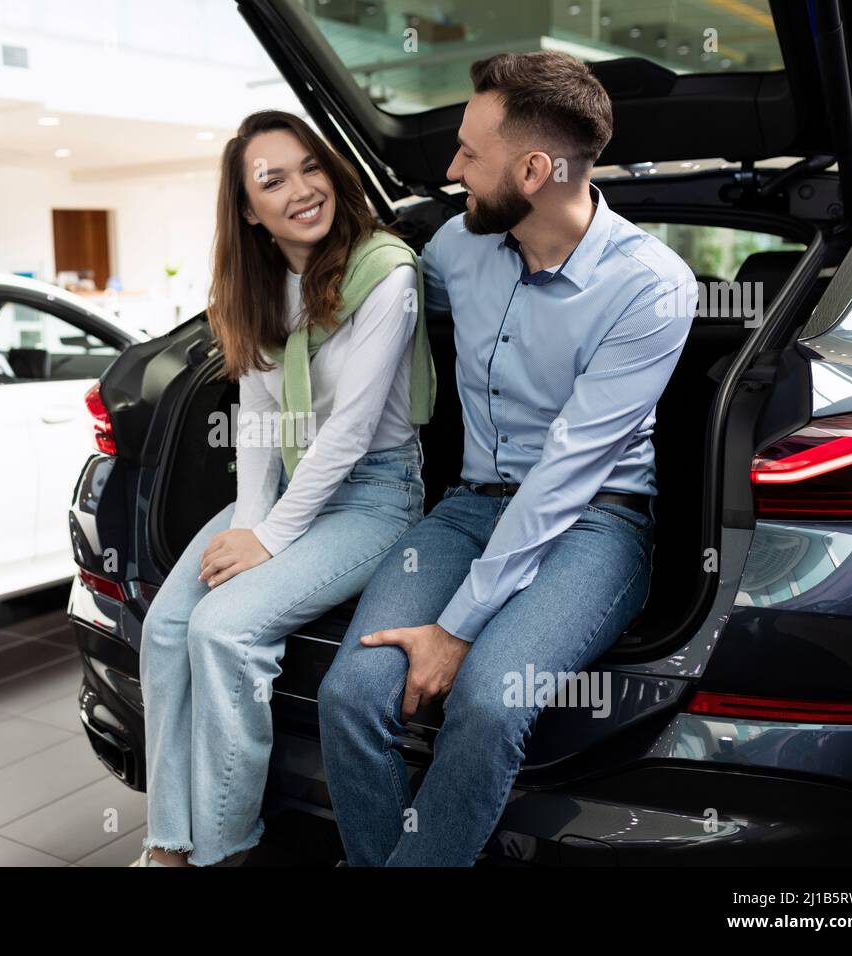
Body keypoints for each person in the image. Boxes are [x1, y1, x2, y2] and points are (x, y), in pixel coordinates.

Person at [318, 51, 698, 866]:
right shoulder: (460, 244)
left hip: (596, 522)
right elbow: (392, 296)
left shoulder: (651, 286)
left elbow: (569, 472)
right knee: (350, 693)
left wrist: (456, 630)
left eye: (467, 154)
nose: (452, 171)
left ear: (532, 169)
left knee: (491, 701)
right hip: (466, 506)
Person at [132, 109, 437, 867]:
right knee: (167, 627)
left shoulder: (385, 270)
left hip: (374, 494)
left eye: (311, 167)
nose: (303, 190)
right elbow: (262, 419)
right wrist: (251, 519)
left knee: (222, 630)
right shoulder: (264, 283)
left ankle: (225, 849)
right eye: (273, 180)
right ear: (247, 209)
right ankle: (169, 843)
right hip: (300, 488)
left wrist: (267, 539)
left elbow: (352, 431)